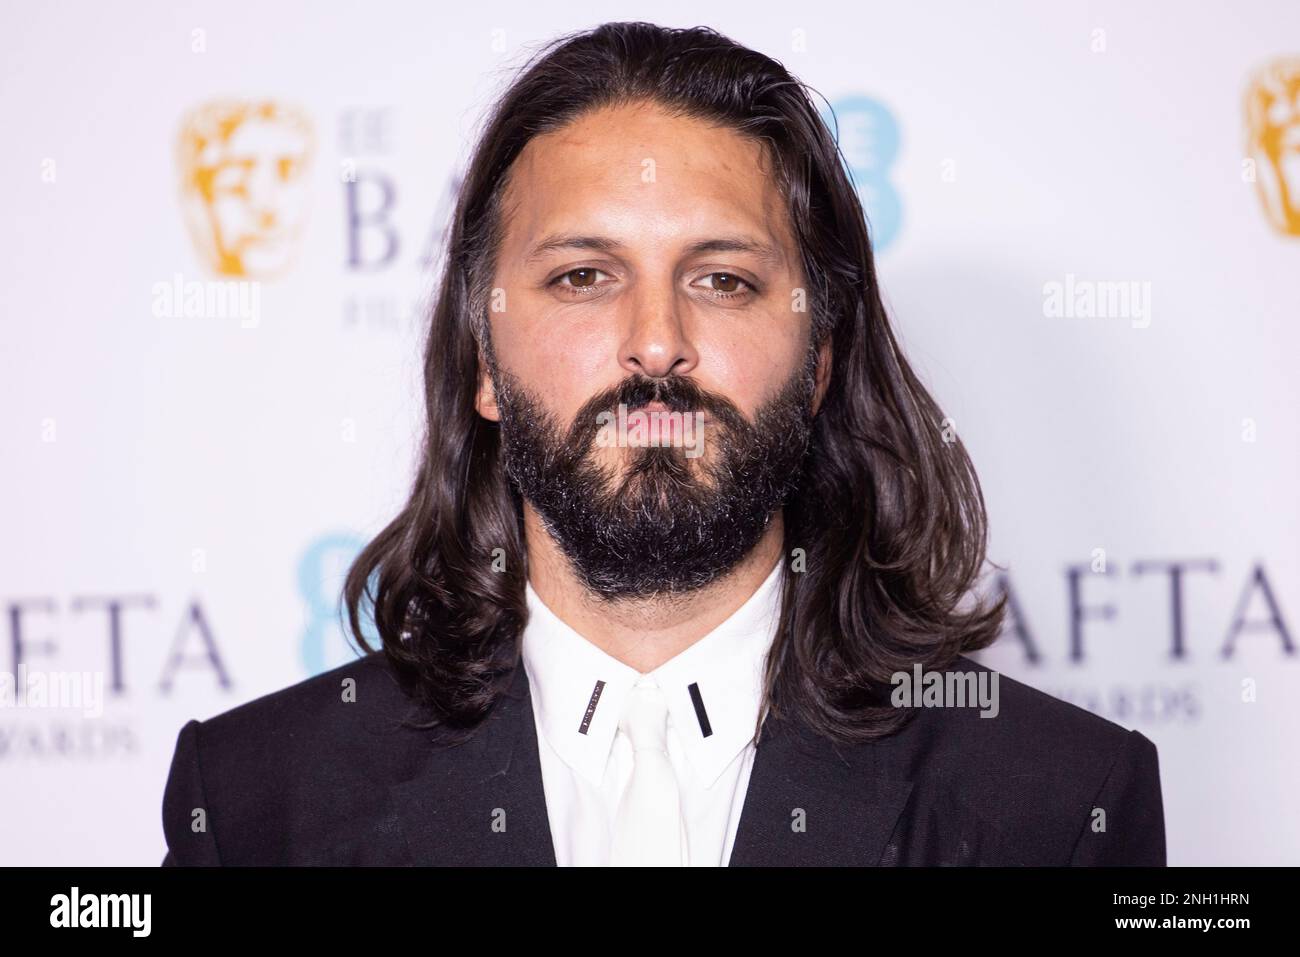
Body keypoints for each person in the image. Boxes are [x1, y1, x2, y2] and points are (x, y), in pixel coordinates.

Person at [161, 21, 1166, 867]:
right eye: (582, 277)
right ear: (481, 357)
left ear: (818, 359)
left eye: (722, 279)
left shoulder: (1055, 805)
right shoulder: (259, 806)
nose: (656, 345)